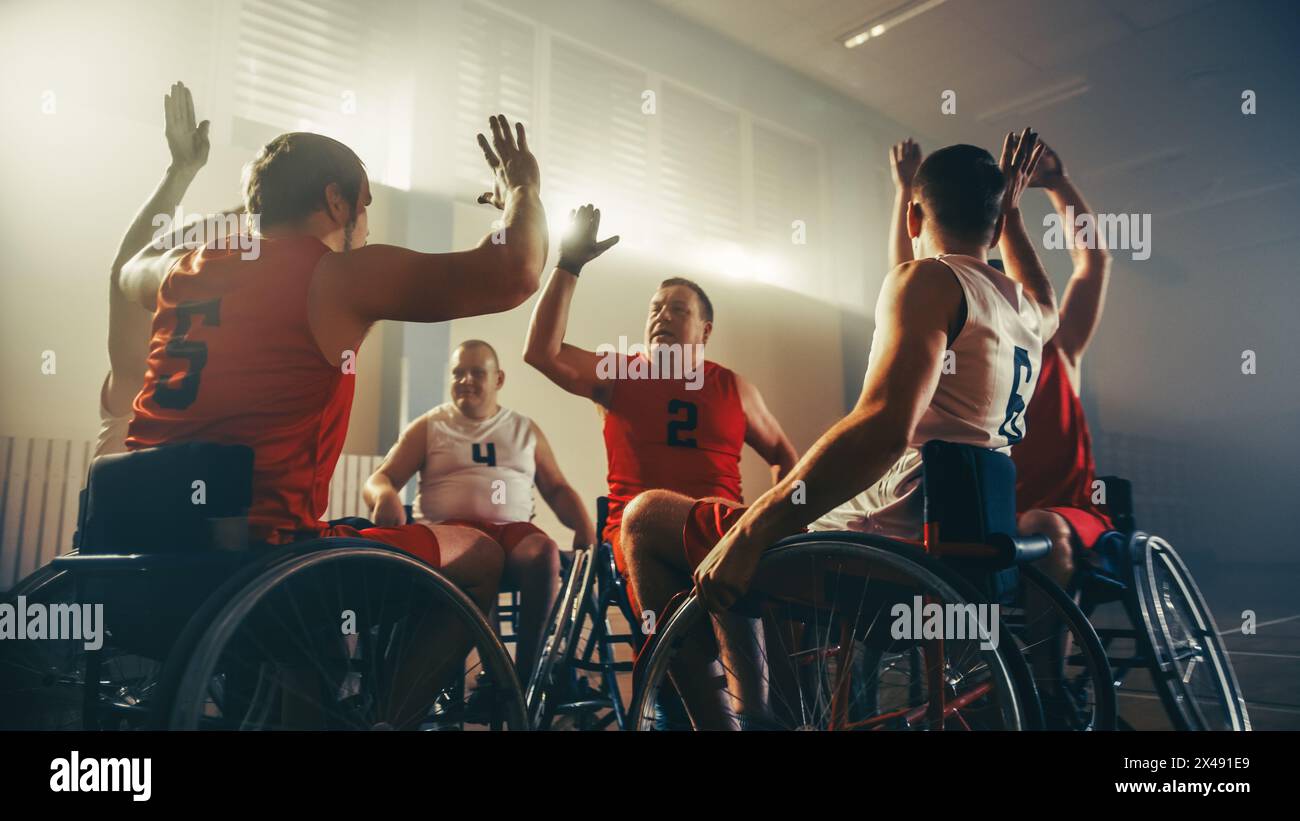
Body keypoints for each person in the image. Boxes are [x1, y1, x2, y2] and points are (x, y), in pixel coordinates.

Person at [619, 129, 1057, 728]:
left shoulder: (927, 282)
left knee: (647, 518)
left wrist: (752, 532)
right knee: (743, 532)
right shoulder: (1027, 311)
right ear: (998, 218)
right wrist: (1009, 209)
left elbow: (883, 428)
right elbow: (1015, 288)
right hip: (968, 548)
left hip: (895, 546)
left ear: (913, 216)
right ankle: (761, 716)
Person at [120, 114, 547, 726]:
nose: (367, 227)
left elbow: (130, 262)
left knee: (338, 545)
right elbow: (517, 271)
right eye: (366, 206)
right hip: (260, 565)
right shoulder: (336, 272)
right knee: (476, 554)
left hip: (142, 555)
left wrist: (199, 185)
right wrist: (523, 186)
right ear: (335, 200)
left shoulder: (178, 270)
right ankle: (387, 721)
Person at [363, 339, 595, 676]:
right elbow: (380, 477)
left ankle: (525, 677)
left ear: (498, 379)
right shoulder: (431, 425)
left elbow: (557, 488)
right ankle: (496, 672)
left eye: (476, 372)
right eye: (458, 373)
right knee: (478, 554)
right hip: (452, 534)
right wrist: (385, 496)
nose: (465, 380)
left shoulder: (523, 429)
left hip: (511, 532)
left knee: (544, 552)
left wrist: (583, 525)